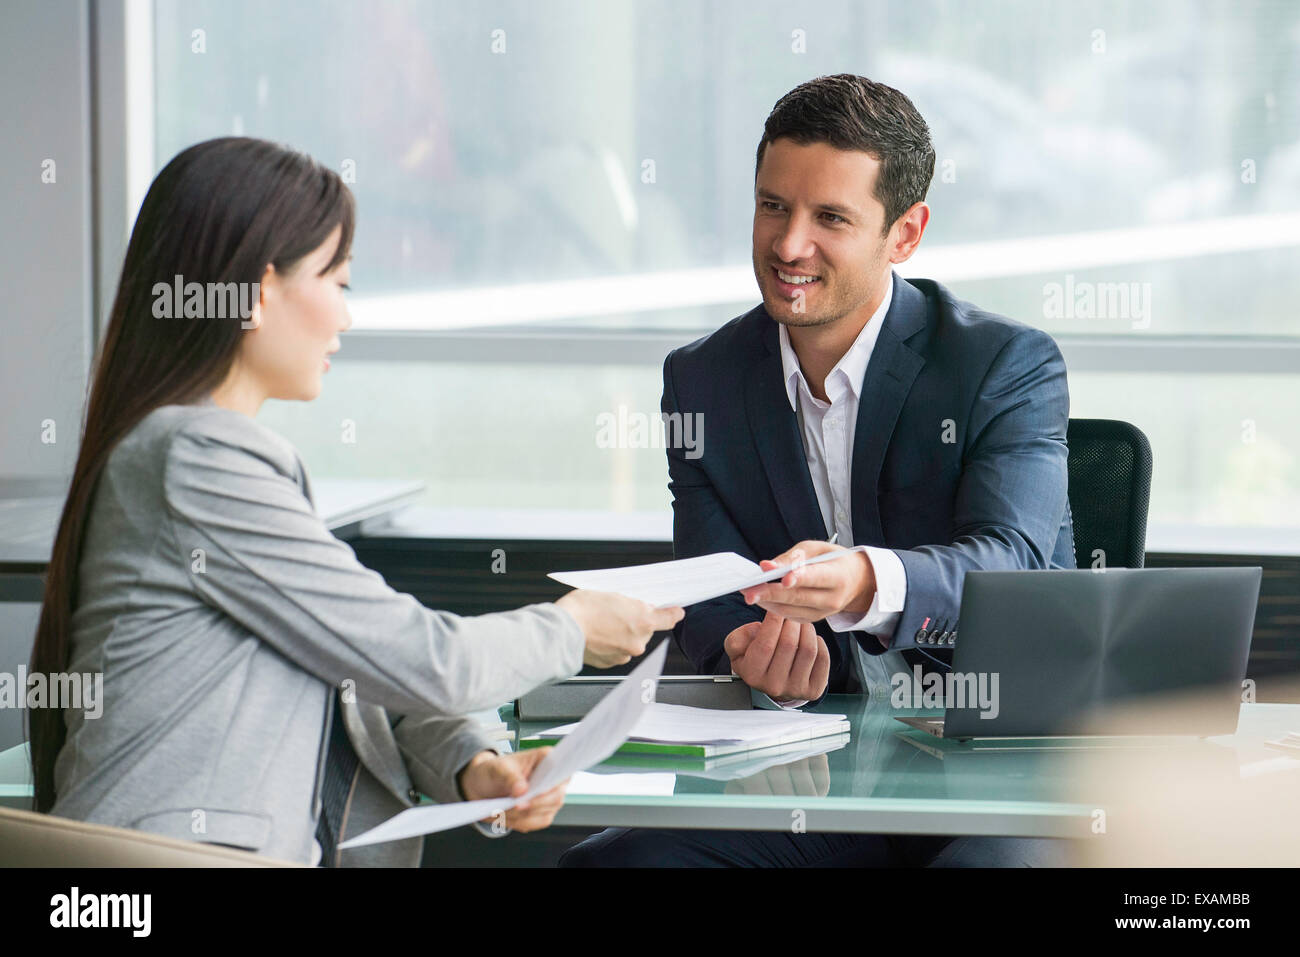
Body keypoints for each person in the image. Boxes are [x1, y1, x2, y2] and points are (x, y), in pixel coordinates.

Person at [27, 136, 682, 867]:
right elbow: (426, 660)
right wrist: (570, 629)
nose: (345, 315)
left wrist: (473, 760)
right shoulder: (198, 459)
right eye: (335, 281)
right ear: (259, 289)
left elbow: (360, 666)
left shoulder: (207, 458)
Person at [561, 74, 1073, 867]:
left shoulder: (1002, 364)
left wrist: (866, 580)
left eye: (830, 217)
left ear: (904, 235)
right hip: (818, 771)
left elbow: (1019, 569)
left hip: (1003, 767)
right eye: (773, 206)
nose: (788, 245)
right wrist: (740, 642)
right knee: (618, 864)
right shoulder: (702, 378)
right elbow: (706, 581)